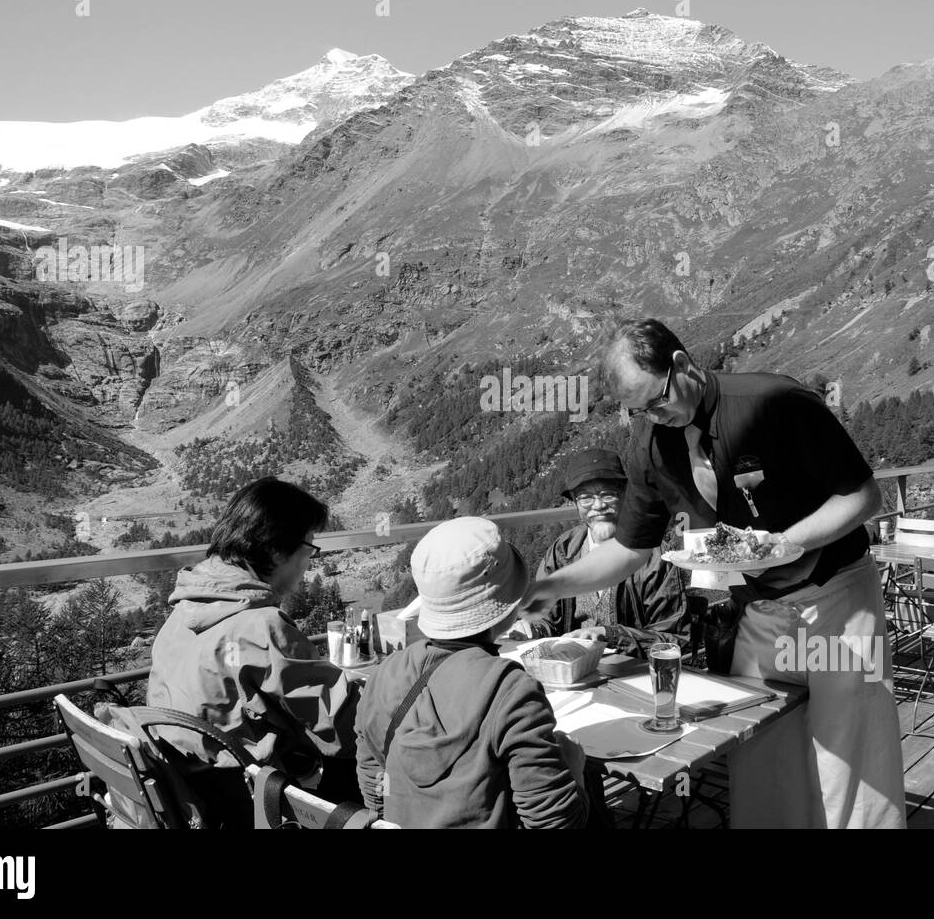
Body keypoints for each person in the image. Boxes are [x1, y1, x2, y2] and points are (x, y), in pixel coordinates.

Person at [519, 318, 905, 829]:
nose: (652, 418)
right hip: (760, 609)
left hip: (836, 597)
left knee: (850, 755)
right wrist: (544, 587)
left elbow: (862, 496)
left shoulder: (776, 403)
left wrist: (785, 543)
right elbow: (631, 549)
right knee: (763, 749)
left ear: (682, 365)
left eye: (656, 402)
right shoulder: (652, 444)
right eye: (637, 412)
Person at [147, 476, 358, 828]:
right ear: (277, 551)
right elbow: (342, 727)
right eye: (309, 549)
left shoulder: (183, 612)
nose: (309, 564)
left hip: (193, 792)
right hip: (248, 803)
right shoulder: (261, 626)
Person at [355, 516, 588, 828]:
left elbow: (375, 786)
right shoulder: (510, 690)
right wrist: (575, 771)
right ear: (506, 603)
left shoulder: (385, 673)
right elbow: (554, 823)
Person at [517, 448, 687, 656]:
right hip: (575, 670)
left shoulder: (655, 558)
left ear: (626, 494)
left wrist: (609, 636)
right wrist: (533, 628)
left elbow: (674, 639)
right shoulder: (563, 551)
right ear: (575, 503)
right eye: (585, 498)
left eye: (608, 494)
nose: (598, 505)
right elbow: (548, 619)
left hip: (634, 674)